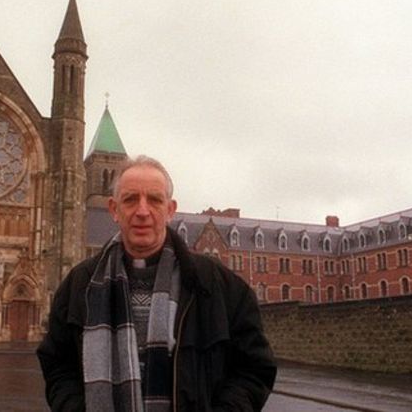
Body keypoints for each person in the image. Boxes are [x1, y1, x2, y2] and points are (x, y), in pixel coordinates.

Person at [37, 155, 276, 411]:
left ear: (170, 210)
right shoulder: (79, 284)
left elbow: (253, 368)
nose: (142, 211)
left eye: (154, 200)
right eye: (130, 200)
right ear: (114, 210)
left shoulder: (218, 284)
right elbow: (58, 366)